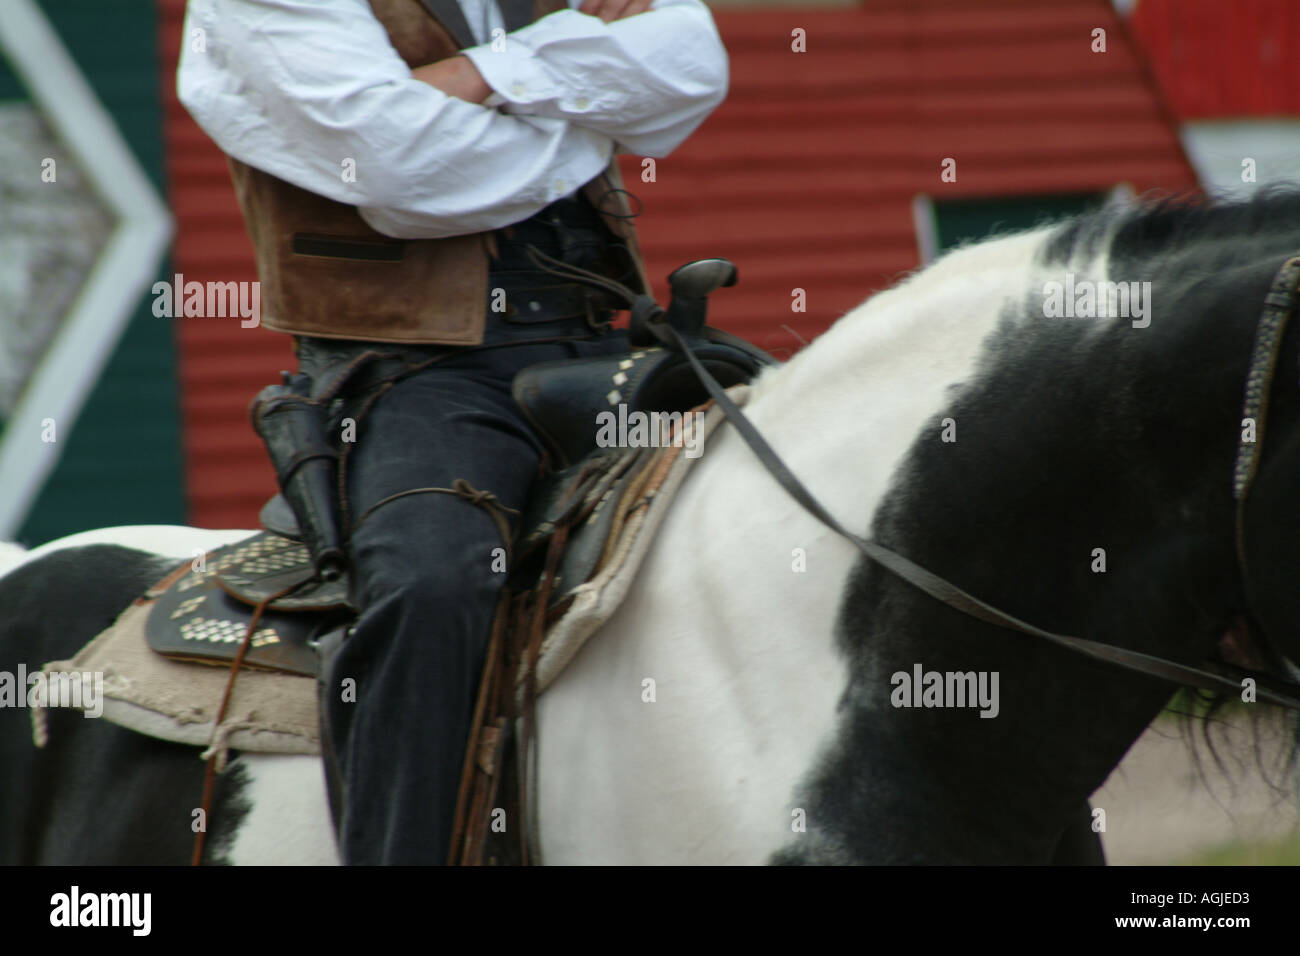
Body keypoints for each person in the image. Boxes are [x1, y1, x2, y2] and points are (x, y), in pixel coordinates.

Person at [177, 0, 728, 863]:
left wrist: (479, 77)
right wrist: (586, 106)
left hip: (612, 340)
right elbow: (404, 169)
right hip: (414, 370)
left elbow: (691, 68)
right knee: (433, 582)